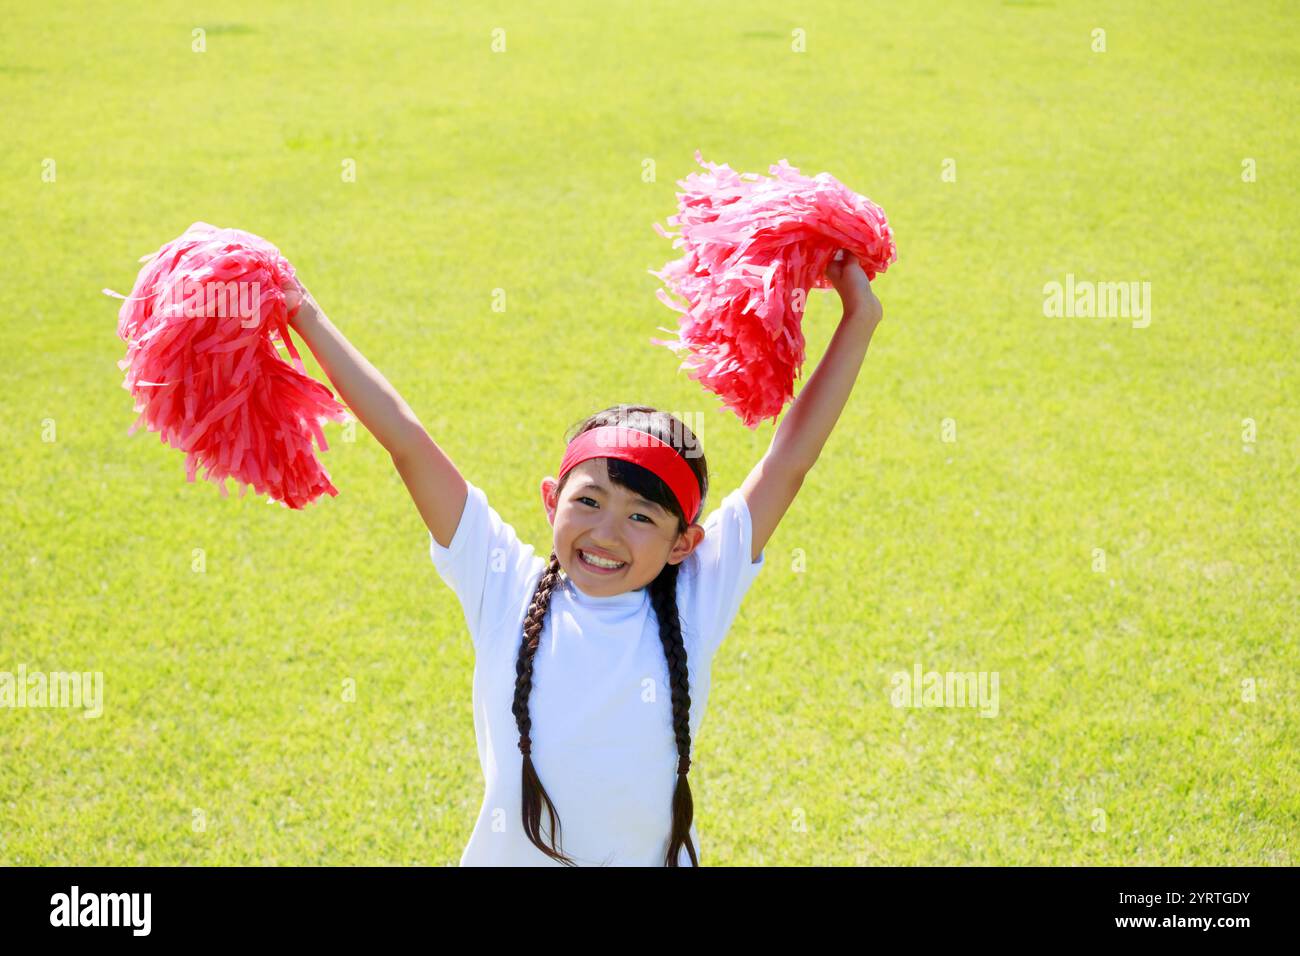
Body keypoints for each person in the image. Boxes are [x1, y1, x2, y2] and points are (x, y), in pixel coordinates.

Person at [283, 250, 883, 865]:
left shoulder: (696, 593)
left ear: (684, 542)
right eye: (589, 501)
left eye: (641, 516)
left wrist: (857, 319)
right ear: (551, 501)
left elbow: (789, 462)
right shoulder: (501, 582)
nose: (605, 533)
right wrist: (302, 310)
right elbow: (405, 439)